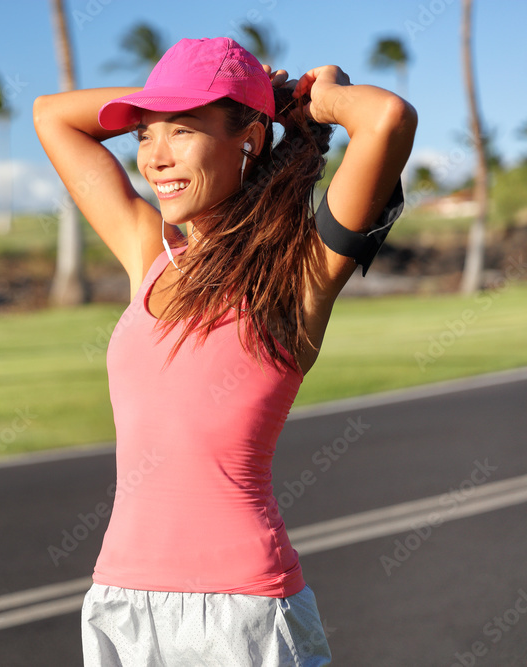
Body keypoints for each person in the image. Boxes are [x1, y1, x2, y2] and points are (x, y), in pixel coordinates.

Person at [33, 37, 416, 665]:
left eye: (181, 131)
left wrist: (308, 100)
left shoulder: (299, 275)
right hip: (121, 601)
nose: (155, 158)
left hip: (242, 614)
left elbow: (386, 119)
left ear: (249, 139)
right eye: (144, 135)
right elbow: (52, 115)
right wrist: (171, 97)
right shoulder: (148, 257)